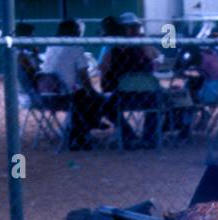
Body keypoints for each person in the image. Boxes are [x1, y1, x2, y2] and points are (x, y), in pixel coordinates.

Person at [42, 18, 106, 149]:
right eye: (78, 31)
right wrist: (92, 92)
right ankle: (86, 130)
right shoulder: (75, 47)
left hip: (45, 95)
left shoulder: (51, 45)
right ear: (75, 32)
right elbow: (84, 77)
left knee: (85, 96)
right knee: (95, 98)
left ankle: (88, 127)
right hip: (65, 96)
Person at [99, 12, 161, 147]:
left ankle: (147, 137)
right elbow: (104, 69)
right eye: (129, 27)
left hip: (140, 95)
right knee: (104, 105)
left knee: (162, 99)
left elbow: (156, 56)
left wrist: (142, 41)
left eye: (135, 27)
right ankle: (130, 134)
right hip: (126, 95)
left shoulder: (143, 44)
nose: (133, 30)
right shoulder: (112, 46)